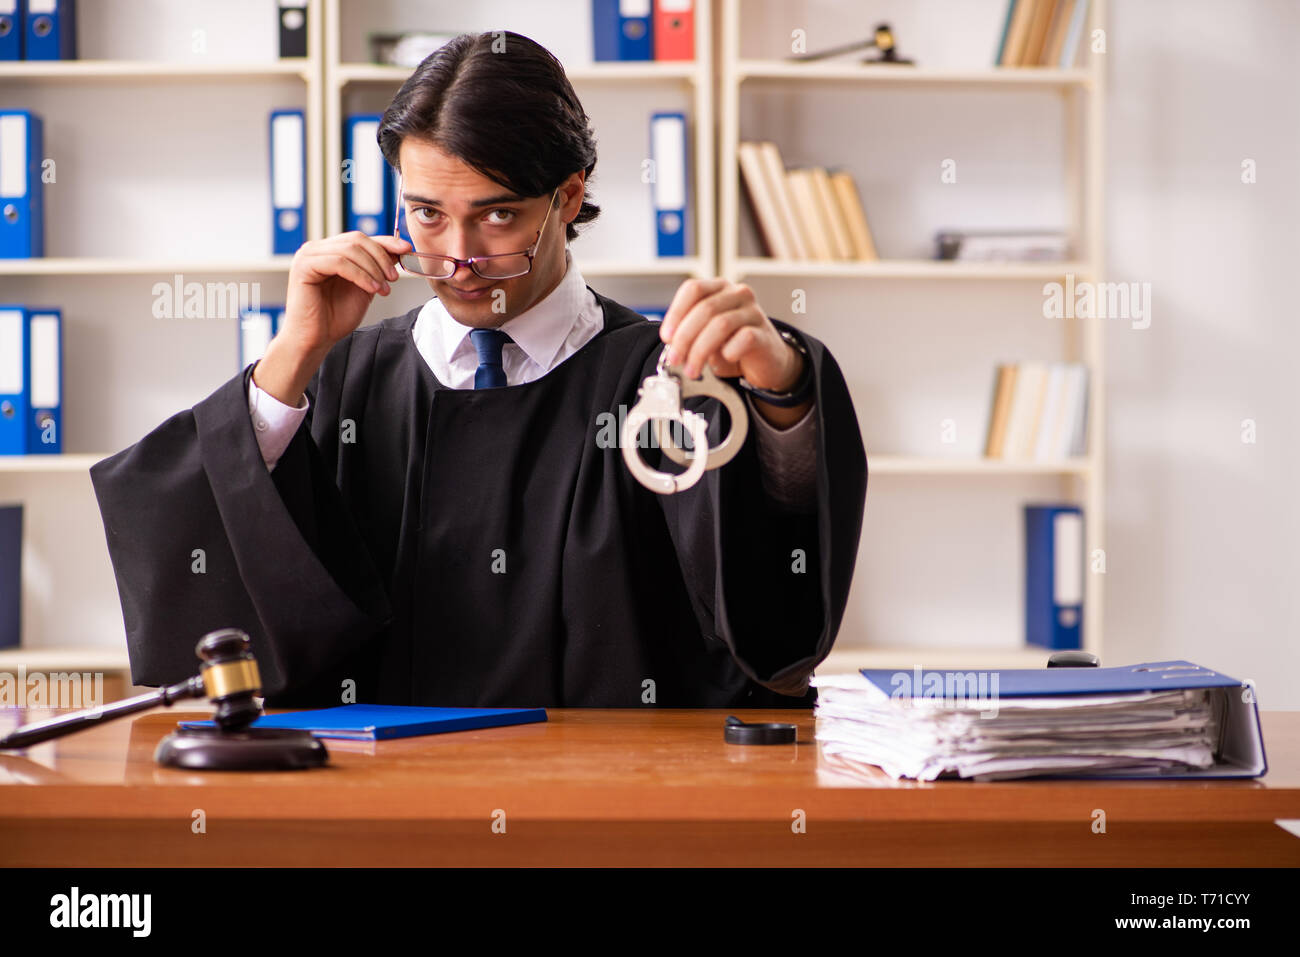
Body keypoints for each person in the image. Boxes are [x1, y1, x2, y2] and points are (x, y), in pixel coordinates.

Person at [90, 31, 867, 709]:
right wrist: (287, 363)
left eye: (496, 216)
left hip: (613, 809)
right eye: (427, 213)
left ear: (568, 197)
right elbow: (214, 618)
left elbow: (773, 611)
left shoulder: (666, 379)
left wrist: (784, 393)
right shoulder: (342, 378)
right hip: (386, 814)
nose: (459, 259)